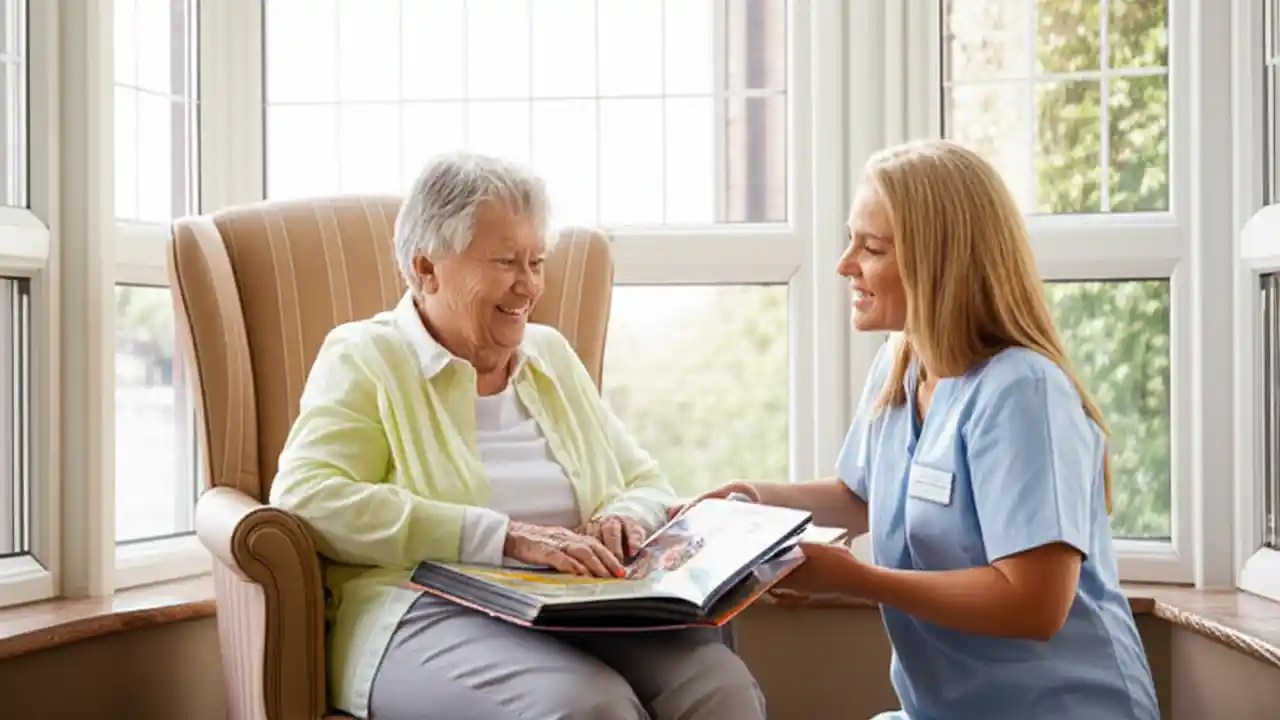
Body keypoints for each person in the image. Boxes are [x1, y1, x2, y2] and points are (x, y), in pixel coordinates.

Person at [269, 152, 766, 720]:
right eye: (507, 261)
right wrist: (505, 537)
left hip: (581, 605)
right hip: (425, 608)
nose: (529, 286)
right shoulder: (367, 356)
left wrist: (624, 516)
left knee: (717, 686)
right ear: (426, 268)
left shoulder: (547, 353)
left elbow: (644, 480)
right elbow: (306, 495)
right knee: (586, 707)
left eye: (537, 261)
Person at [687, 139, 1160, 719]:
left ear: (938, 260)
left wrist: (859, 580)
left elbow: (1035, 604)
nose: (844, 264)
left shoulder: (1023, 392)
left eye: (872, 247)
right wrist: (753, 499)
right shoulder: (901, 362)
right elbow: (861, 497)